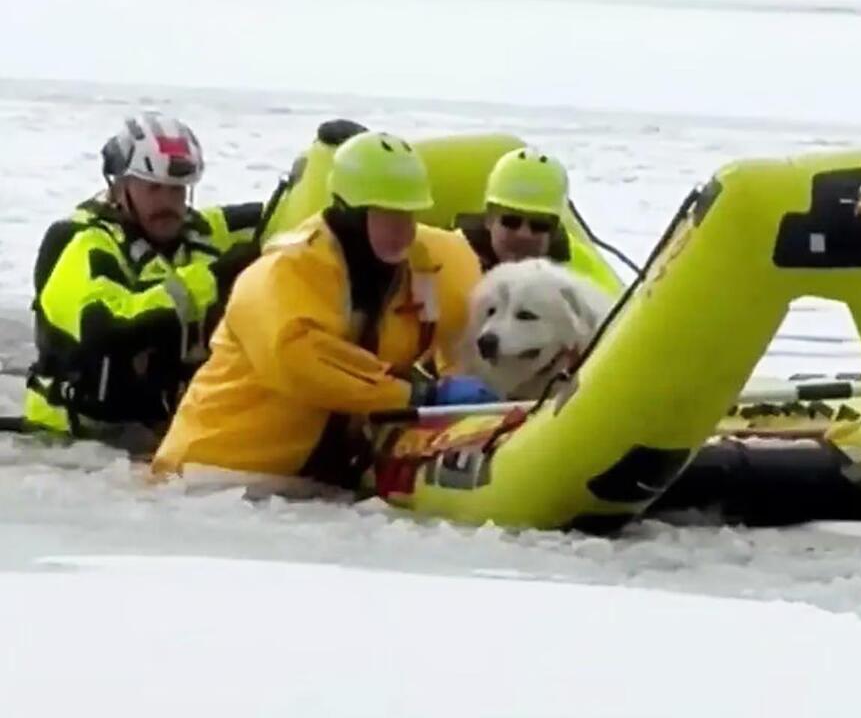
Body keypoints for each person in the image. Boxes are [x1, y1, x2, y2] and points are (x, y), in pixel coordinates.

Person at [152, 130, 496, 486]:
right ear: (350, 212)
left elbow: (472, 325)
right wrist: (421, 394)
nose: (403, 229)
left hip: (315, 479)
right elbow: (302, 362)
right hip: (211, 477)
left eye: (409, 214)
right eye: (387, 214)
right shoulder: (284, 272)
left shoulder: (435, 261)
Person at [24, 112, 262, 451]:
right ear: (120, 187)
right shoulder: (81, 243)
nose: (168, 203)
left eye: (177, 191)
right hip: (75, 442)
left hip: (155, 433)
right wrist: (213, 279)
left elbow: (280, 216)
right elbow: (108, 329)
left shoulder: (201, 232)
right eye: (154, 189)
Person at [459, 147, 572, 271]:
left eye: (539, 225)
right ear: (489, 219)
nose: (524, 235)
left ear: (554, 231)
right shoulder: (448, 264)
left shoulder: (577, 271)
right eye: (511, 221)